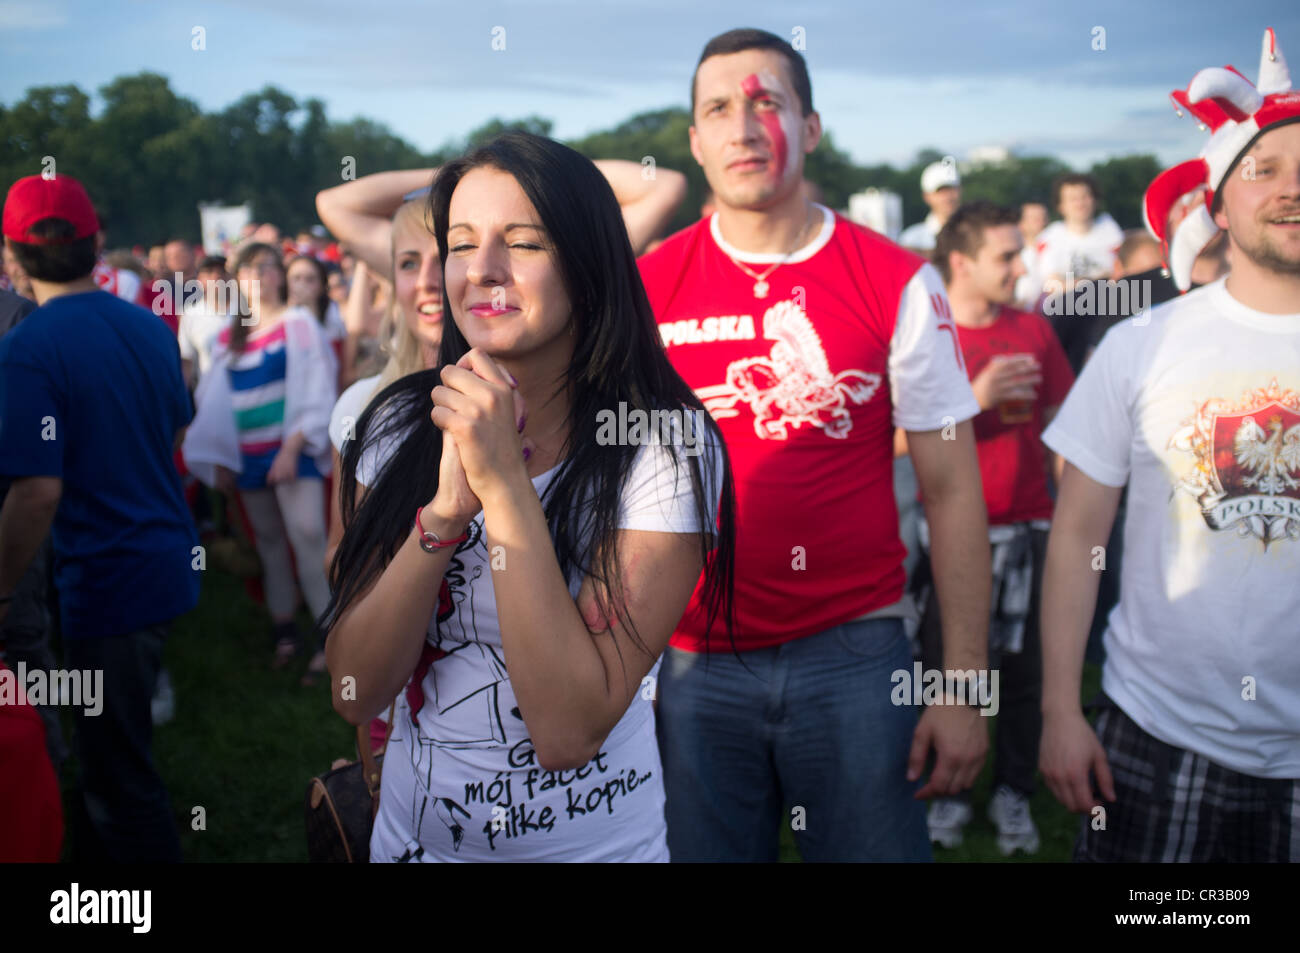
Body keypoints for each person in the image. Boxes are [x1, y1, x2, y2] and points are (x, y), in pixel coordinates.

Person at [322, 132, 734, 862]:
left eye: (524, 243)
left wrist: (505, 487)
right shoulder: (393, 424)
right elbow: (355, 689)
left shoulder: (663, 445)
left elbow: (568, 730)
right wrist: (444, 515)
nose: (483, 270)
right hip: (413, 846)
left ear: (589, 261)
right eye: (461, 242)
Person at [638, 28, 991, 862]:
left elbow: (952, 490)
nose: (745, 126)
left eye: (769, 103)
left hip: (857, 652)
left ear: (812, 126)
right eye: (719, 109)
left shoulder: (897, 276)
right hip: (692, 655)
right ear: (694, 141)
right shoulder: (649, 285)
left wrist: (963, 686)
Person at [1039, 27, 1300, 862]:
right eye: (1265, 169)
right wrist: (1058, 710)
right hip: (1158, 735)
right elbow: (1077, 535)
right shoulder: (1140, 343)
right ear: (1219, 205)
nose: (1292, 189)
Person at [0, 173, 199, 862]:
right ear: (95, 243)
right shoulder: (148, 326)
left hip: (107, 579)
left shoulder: (26, 346)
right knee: (113, 749)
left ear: (15, 255)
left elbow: (36, 492)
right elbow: (175, 433)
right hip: (161, 563)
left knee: (120, 776)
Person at [905, 201, 1074, 854]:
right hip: (949, 537)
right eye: (1006, 255)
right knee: (948, 670)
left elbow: (1063, 423)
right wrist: (972, 399)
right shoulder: (927, 333)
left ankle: (1013, 793)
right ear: (962, 262)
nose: (1021, 265)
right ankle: (946, 793)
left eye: (1021, 252)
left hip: (1031, 527)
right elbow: (886, 441)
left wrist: (1073, 521)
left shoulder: (1033, 329)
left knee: (1028, 672)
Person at [182, 242, 337, 679]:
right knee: (269, 545)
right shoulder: (234, 335)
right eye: (253, 268)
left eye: (271, 267)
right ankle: (285, 634)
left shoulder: (299, 322)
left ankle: (330, 640)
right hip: (248, 459)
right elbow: (215, 403)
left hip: (291, 452)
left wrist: (290, 449)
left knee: (308, 538)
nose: (264, 276)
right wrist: (222, 457)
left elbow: (317, 388)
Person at [1033, 173, 1124, 293]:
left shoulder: (1111, 233)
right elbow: (1050, 284)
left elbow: (1122, 274)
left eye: (1085, 196)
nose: (1080, 204)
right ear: (1060, 206)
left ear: (1095, 200)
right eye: (1072, 199)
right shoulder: (1049, 238)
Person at [177, 255, 234, 387]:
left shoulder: (250, 309)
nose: (216, 277)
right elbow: (187, 360)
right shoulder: (190, 314)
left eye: (222, 272)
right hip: (208, 393)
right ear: (199, 280)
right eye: (209, 273)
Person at [898, 159, 962, 252]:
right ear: (926, 196)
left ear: (960, 190)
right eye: (940, 191)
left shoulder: (977, 234)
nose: (948, 196)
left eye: (951, 189)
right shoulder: (910, 239)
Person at [1014, 201, 1049, 309]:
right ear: (1021, 224)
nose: (1040, 222)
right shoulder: (1012, 256)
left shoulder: (1056, 250)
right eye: (1034, 218)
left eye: (1043, 218)